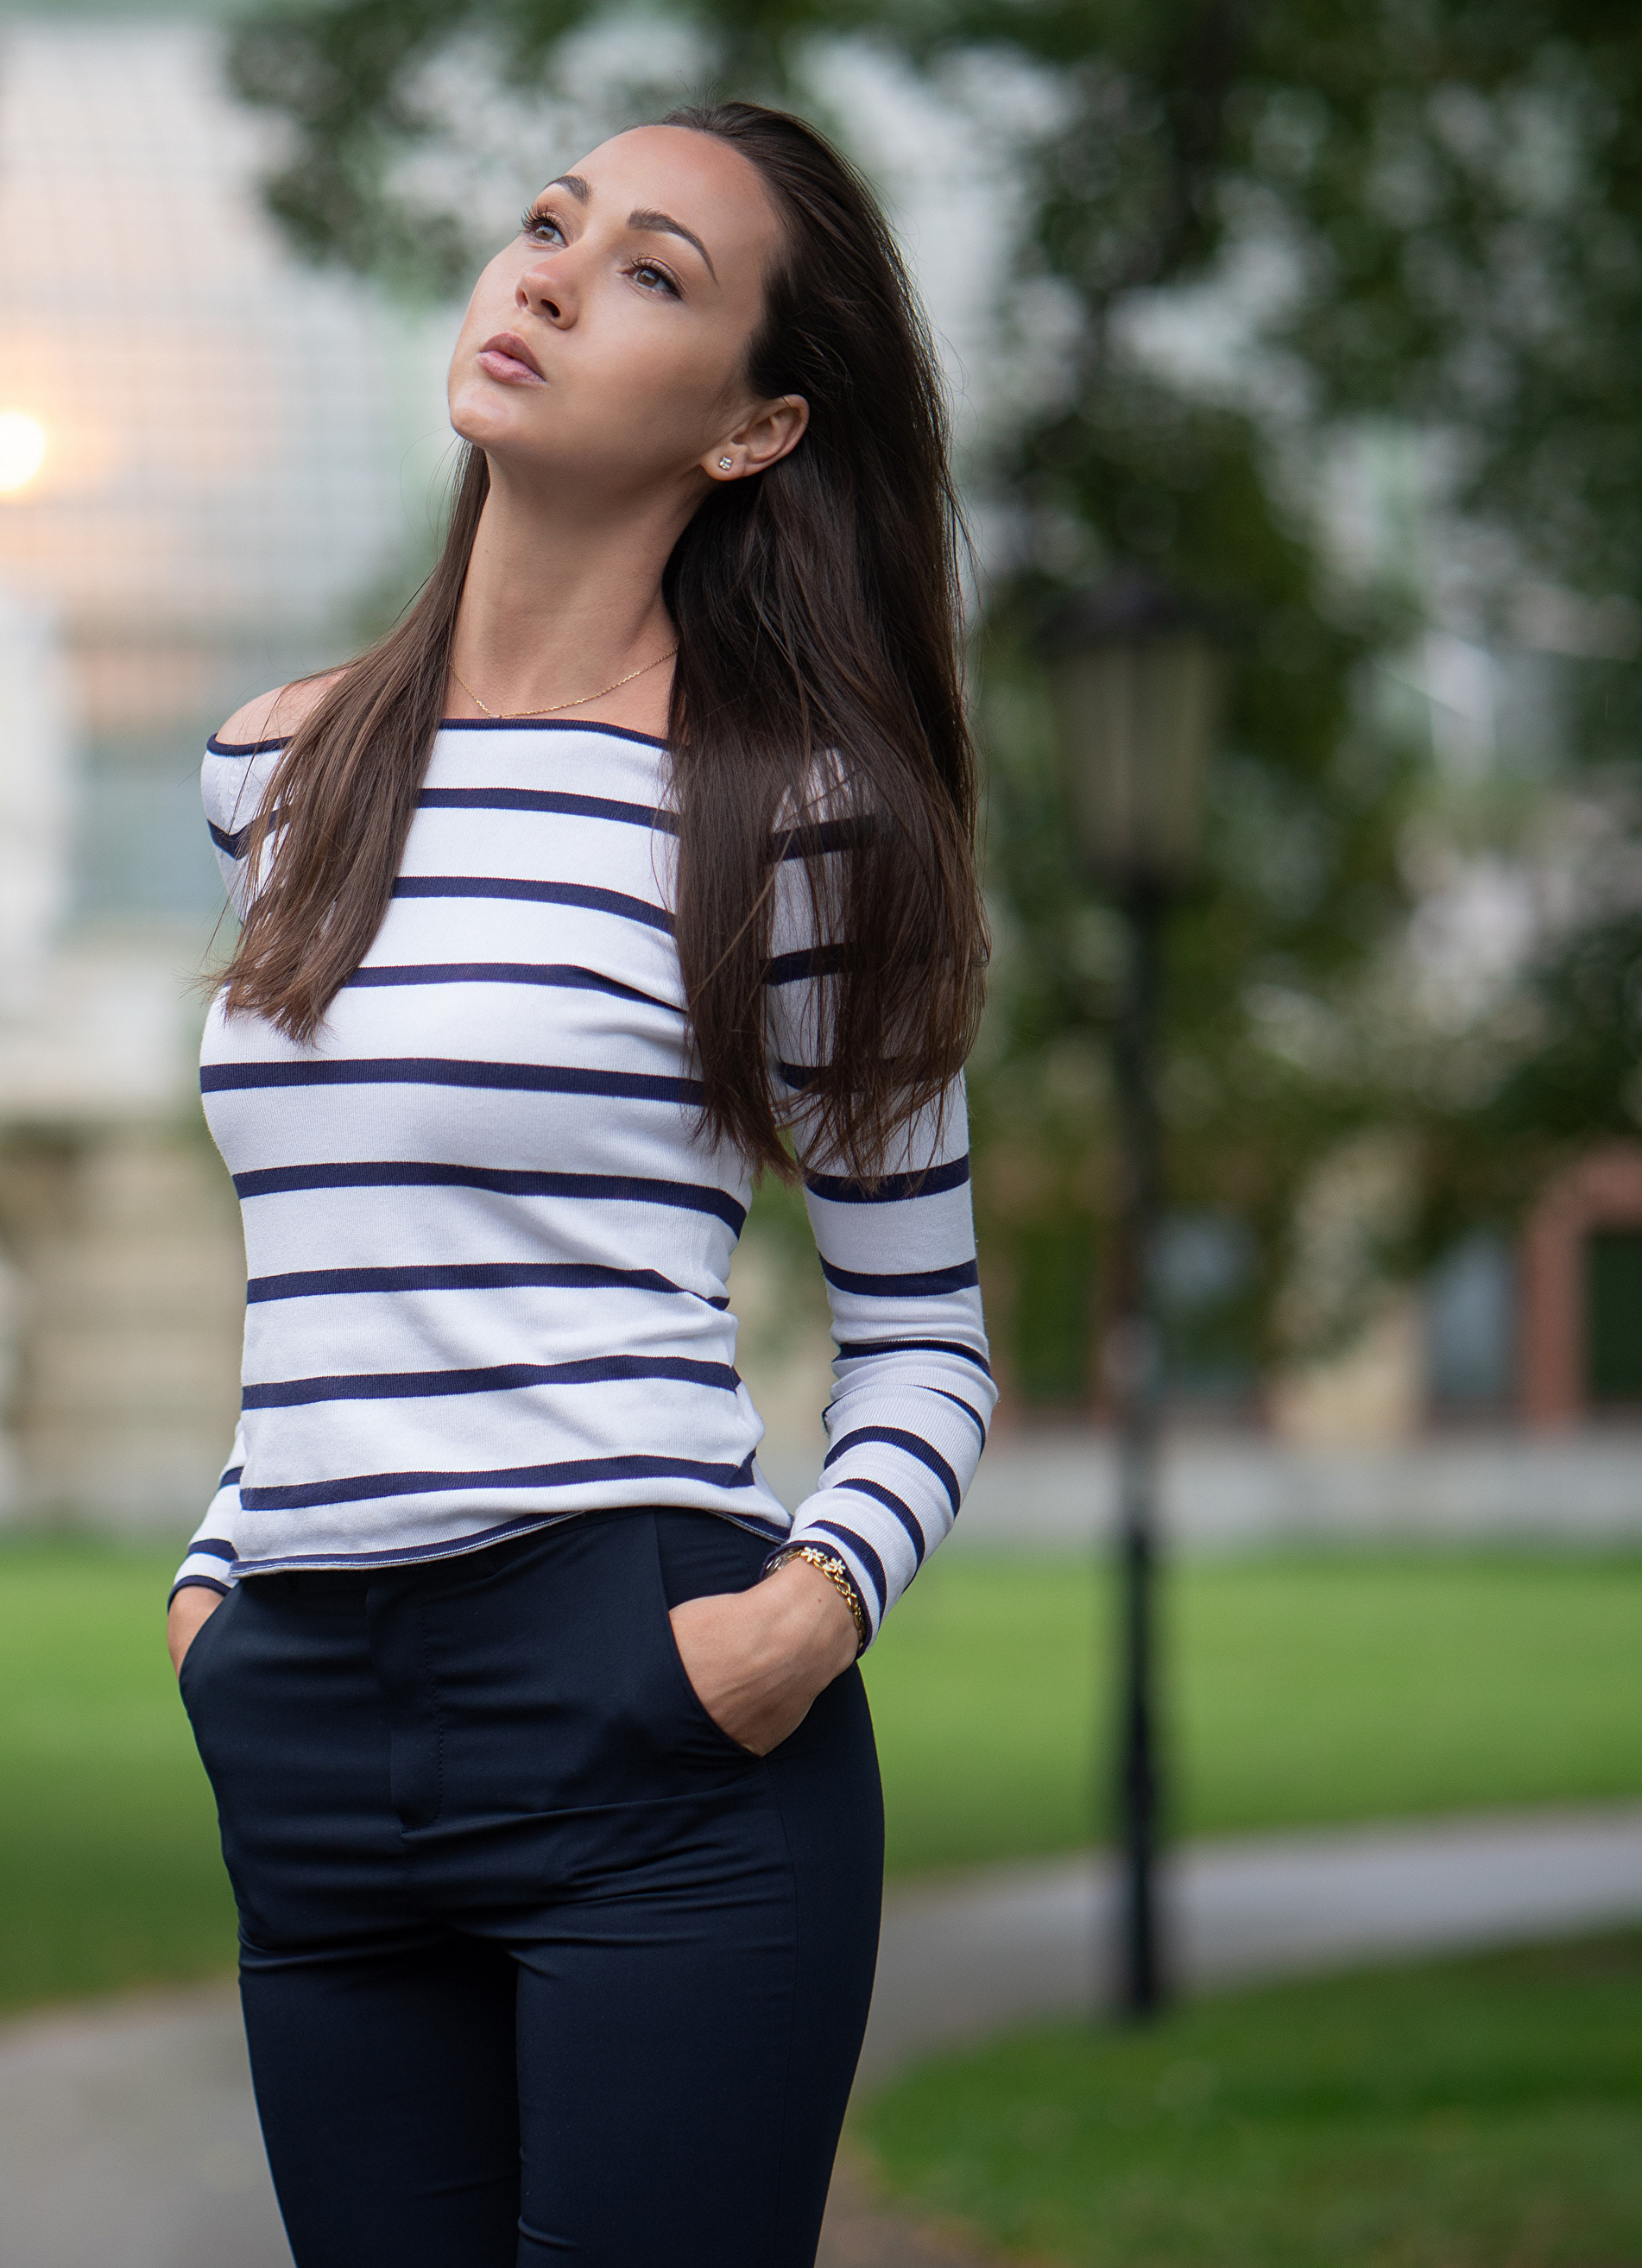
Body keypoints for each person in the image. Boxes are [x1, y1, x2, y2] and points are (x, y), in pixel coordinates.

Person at [164, 102, 995, 2267]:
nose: (541, 276)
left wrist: (796, 1629)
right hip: (316, 1750)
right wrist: (214, 1595)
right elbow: (338, 1257)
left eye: (650, 273)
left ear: (753, 427)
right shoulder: (277, 771)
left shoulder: (804, 817)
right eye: (549, 225)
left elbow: (927, 1336)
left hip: (657, 1724)